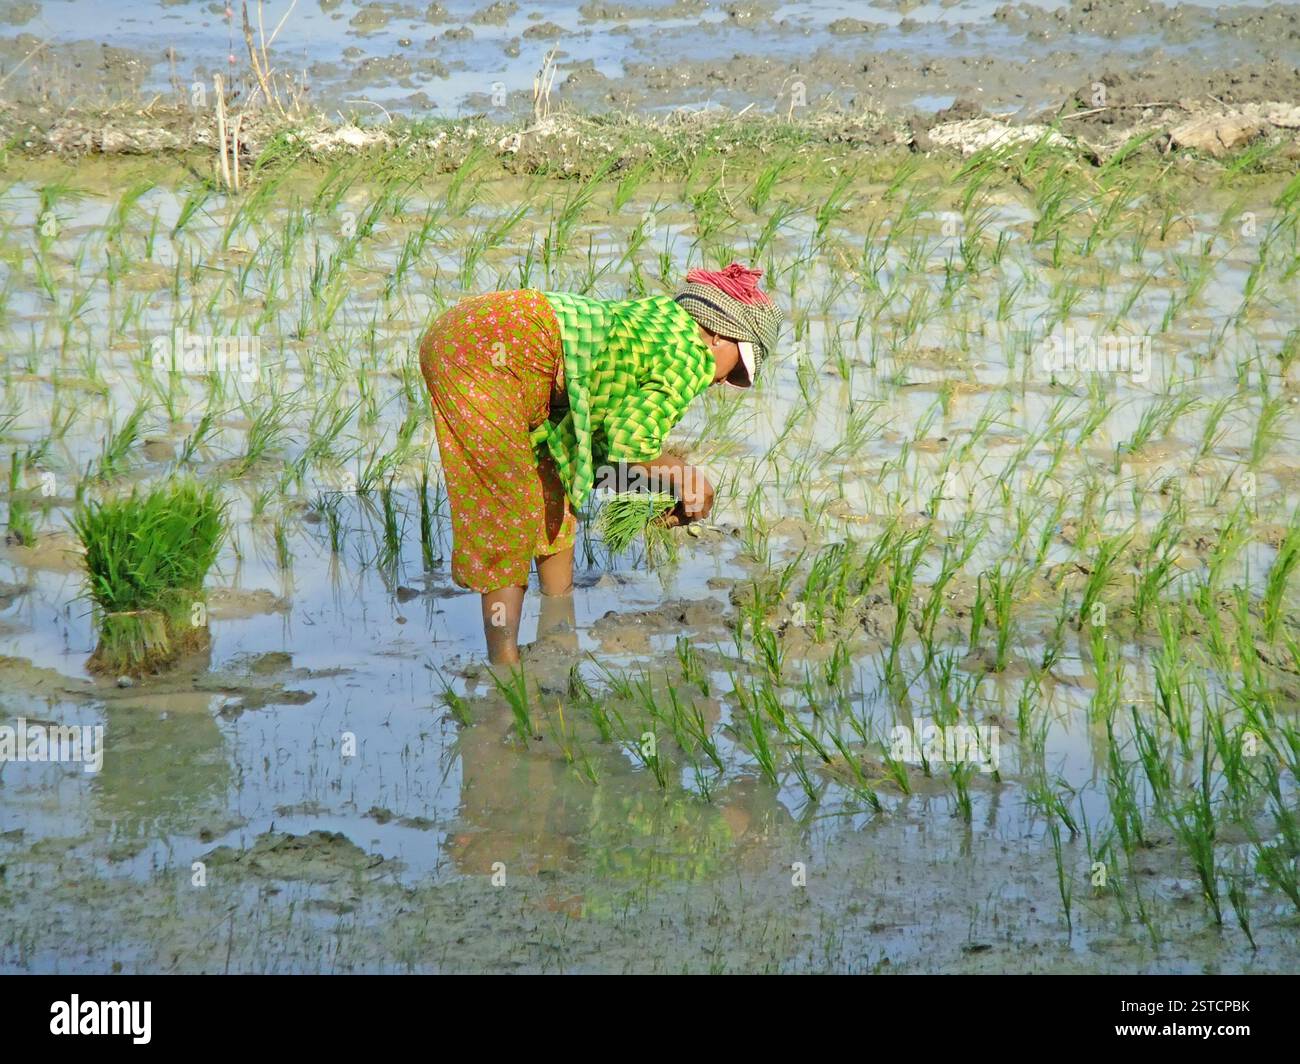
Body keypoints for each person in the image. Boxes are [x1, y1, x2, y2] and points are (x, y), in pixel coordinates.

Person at [418, 262, 783, 664]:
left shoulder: (656, 327)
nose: (724, 382)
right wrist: (688, 478)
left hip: (486, 333)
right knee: (507, 507)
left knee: (554, 478)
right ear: (716, 334)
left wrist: (660, 488)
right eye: (739, 368)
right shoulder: (691, 355)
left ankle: (558, 624)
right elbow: (634, 443)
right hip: (488, 348)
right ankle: (505, 671)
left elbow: (599, 462)